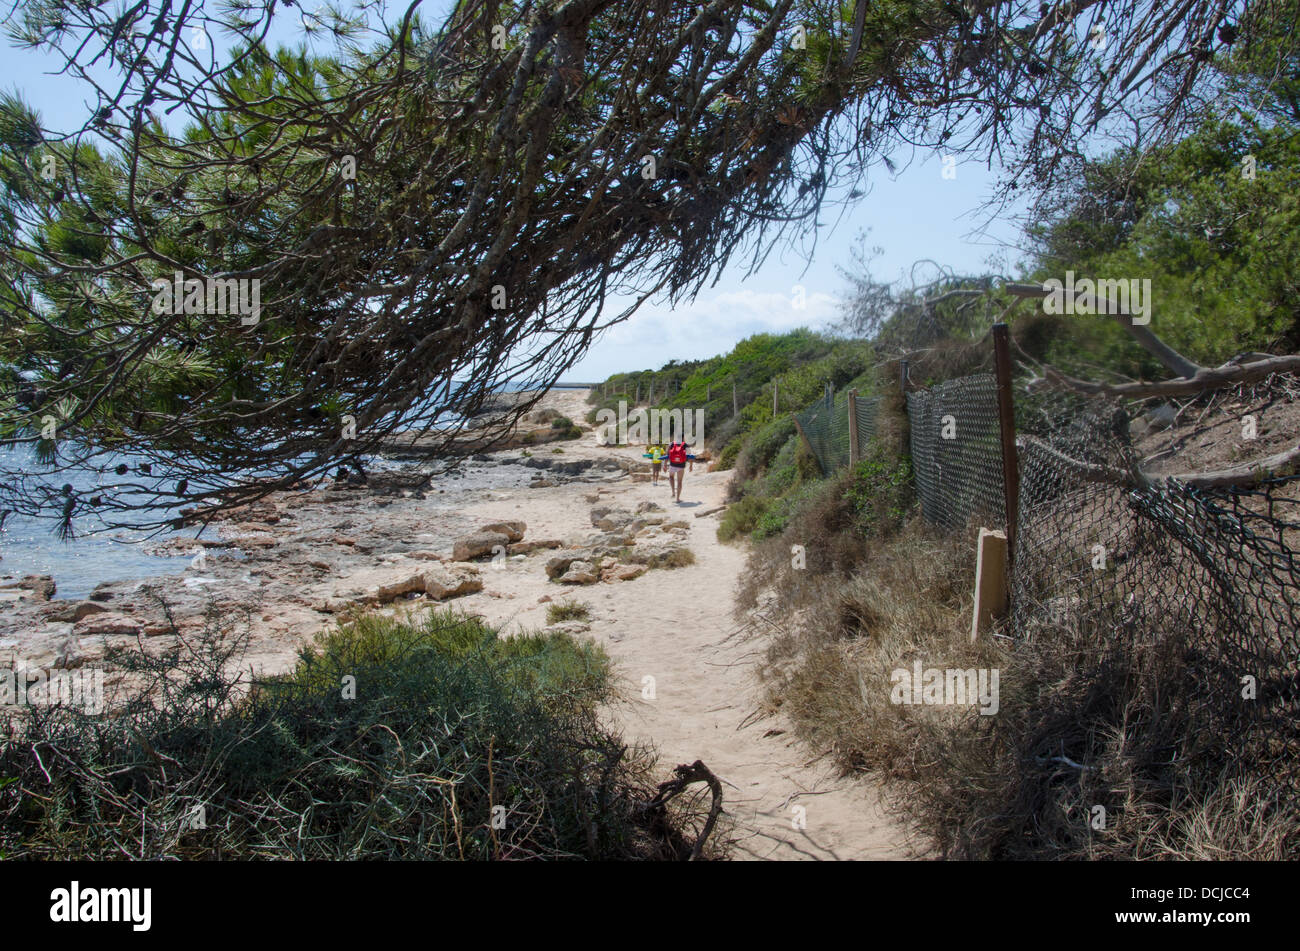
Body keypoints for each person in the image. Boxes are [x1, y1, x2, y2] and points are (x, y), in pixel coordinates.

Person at [666, 436, 691, 502]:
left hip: (672, 464)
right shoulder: (685, 445)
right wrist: (691, 465)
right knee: (679, 482)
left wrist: (665, 464)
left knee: (671, 477)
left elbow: (667, 454)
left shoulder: (671, 444)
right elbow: (690, 455)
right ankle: (677, 499)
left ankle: (673, 492)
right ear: (683, 438)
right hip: (681, 465)